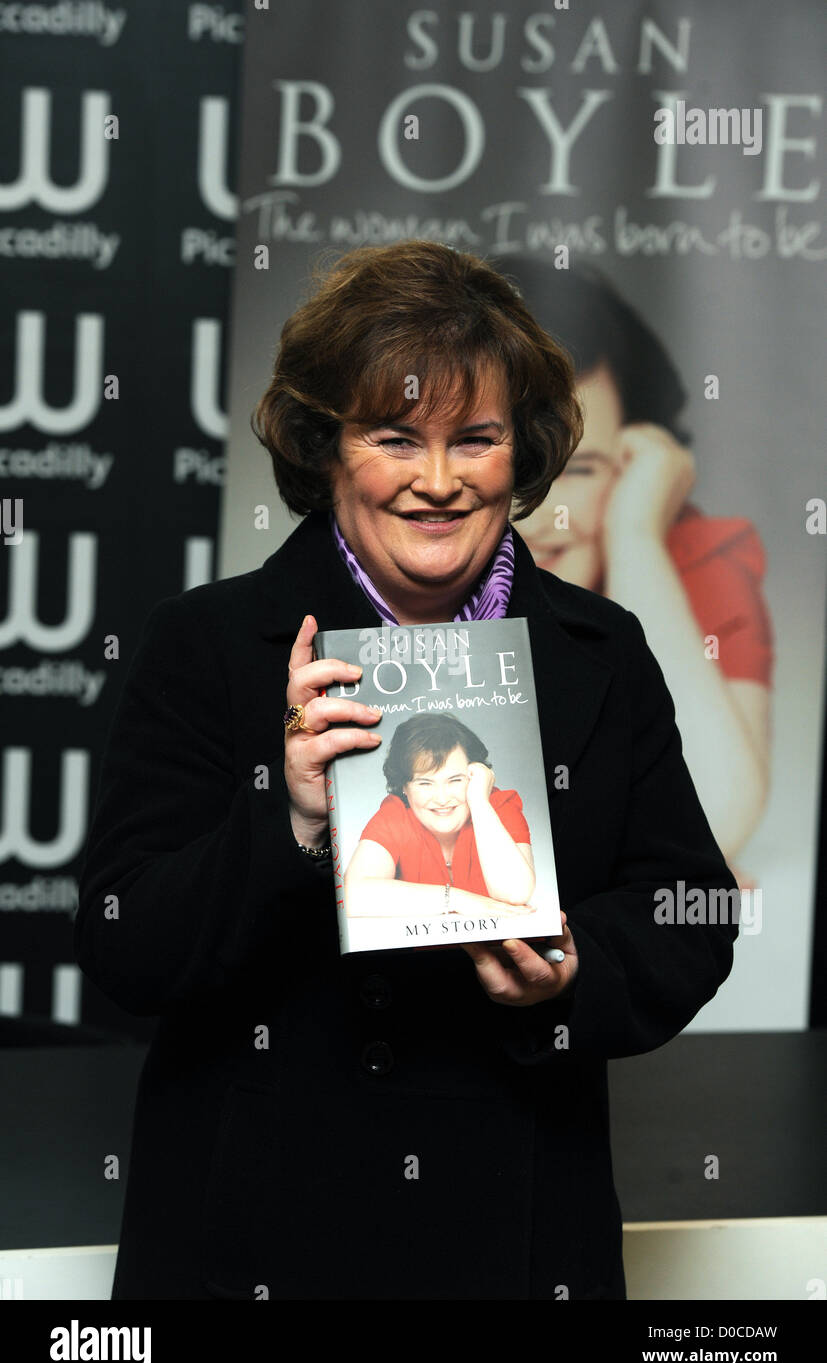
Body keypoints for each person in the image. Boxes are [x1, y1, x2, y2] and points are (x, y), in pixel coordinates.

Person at [74, 239, 739, 1301]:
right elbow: (123, 946)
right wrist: (287, 821)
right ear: (325, 447)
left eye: (473, 439)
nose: (437, 481)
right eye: (394, 437)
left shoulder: (598, 650)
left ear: (519, 456)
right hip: (253, 1244)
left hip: (512, 1244)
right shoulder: (203, 644)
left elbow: (688, 908)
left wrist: (573, 966)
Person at [495, 258, 773, 888]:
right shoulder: (411, 548)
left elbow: (718, 821)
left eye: (584, 468)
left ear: (639, 460)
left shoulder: (699, 558)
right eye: (513, 460)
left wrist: (637, 538)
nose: (543, 511)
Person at [344, 713, 536, 916]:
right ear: (404, 787)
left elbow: (517, 893)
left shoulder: (497, 807)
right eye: (425, 783)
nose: (442, 798)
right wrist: (455, 899)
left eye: (455, 780)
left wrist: (479, 801)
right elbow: (351, 896)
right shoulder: (396, 816)